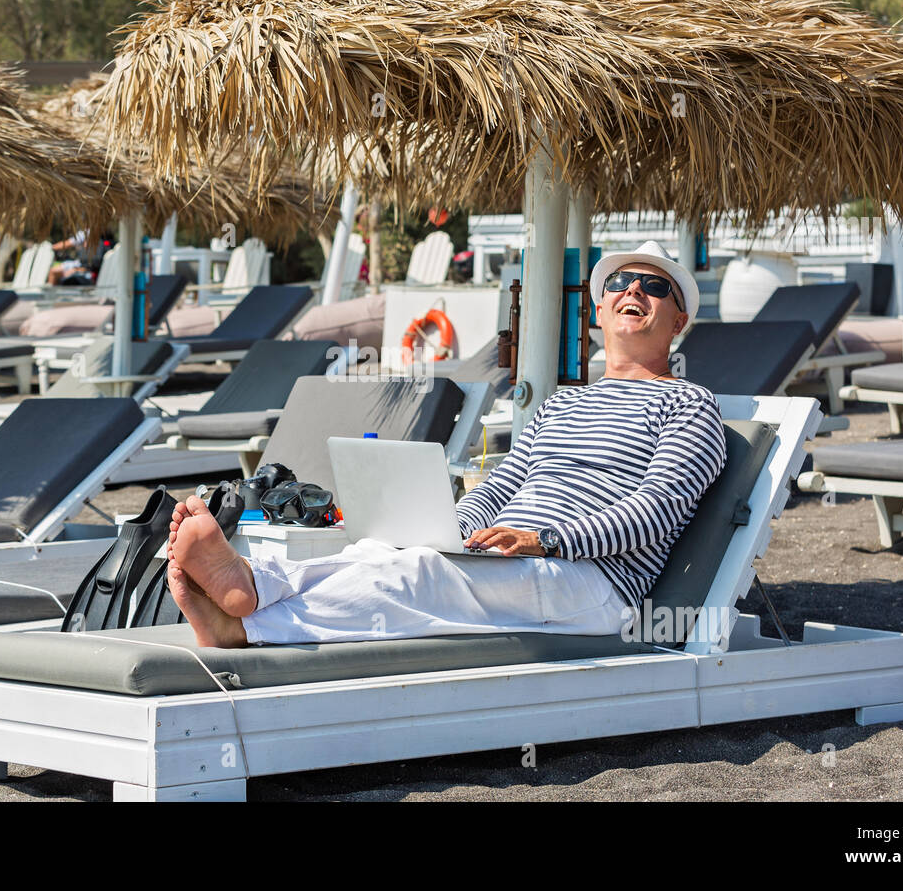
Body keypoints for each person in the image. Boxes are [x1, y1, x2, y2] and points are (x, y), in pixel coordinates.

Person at [166, 240, 727, 647]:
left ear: (678, 319)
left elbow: (654, 513)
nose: (634, 290)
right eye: (619, 284)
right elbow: (506, 483)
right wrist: (449, 529)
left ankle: (247, 624)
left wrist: (544, 539)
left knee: (422, 577)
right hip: (519, 561)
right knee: (383, 552)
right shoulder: (564, 402)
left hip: (593, 582)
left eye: (655, 286)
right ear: (599, 309)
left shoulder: (690, 404)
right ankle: (254, 589)